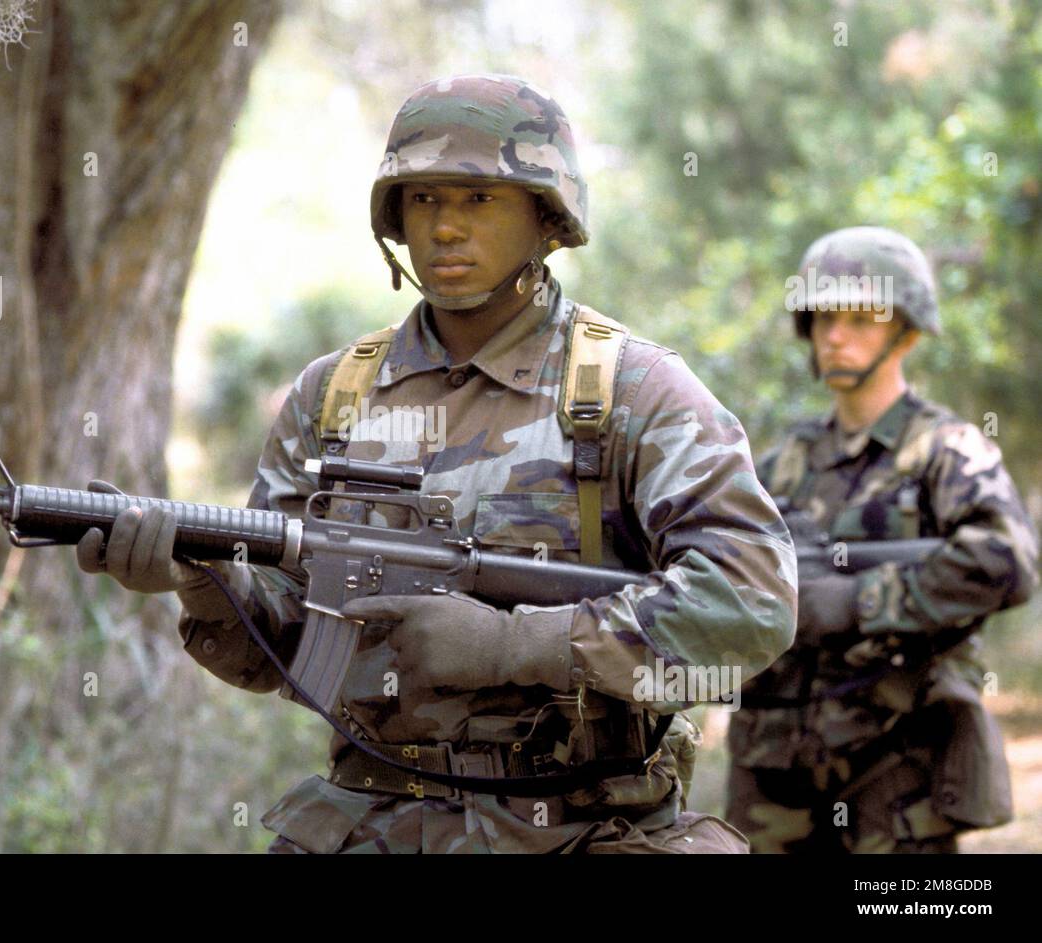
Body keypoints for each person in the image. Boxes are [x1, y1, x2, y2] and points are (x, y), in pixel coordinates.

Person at [78, 73, 796, 853]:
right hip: (372, 819)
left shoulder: (632, 389)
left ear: (546, 216)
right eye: (423, 199)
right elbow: (289, 649)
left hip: (582, 825)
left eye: (478, 198)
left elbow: (751, 602)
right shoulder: (334, 396)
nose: (446, 227)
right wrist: (206, 583)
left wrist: (515, 646)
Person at [726, 226, 1039, 853]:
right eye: (823, 319)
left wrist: (855, 601)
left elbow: (1006, 560)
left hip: (897, 770)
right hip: (776, 773)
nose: (835, 336)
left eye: (860, 319)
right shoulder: (780, 463)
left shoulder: (948, 450)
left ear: (907, 332)